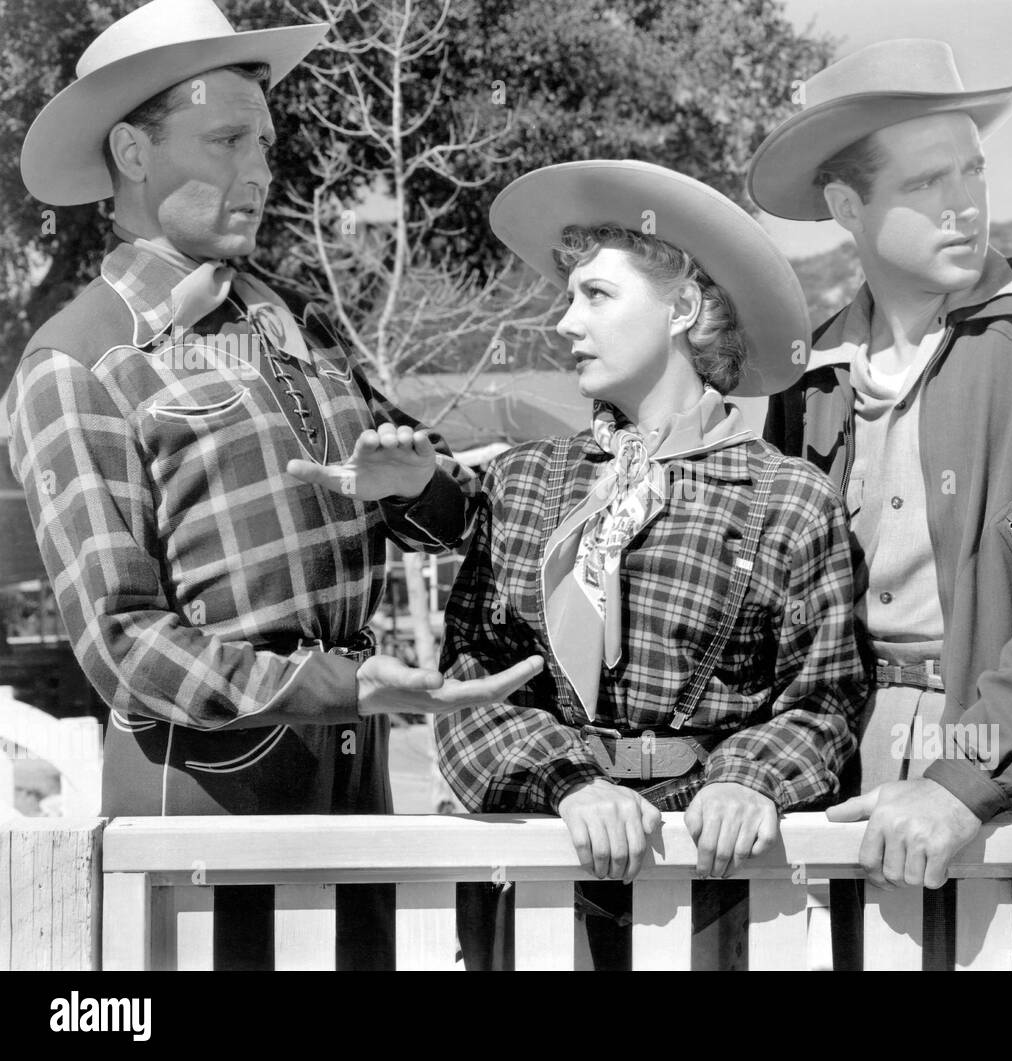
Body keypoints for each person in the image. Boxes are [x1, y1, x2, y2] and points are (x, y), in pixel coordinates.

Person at [4, 0, 541, 969]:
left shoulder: (295, 323)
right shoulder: (75, 362)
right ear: (130, 151)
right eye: (225, 140)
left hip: (354, 791)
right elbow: (125, 646)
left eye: (264, 141)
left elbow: (440, 504)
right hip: (206, 810)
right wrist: (338, 682)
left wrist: (416, 486)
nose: (259, 169)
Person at [747, 39, 1012, 966]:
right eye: (929, 181)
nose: (965, 202)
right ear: (848, 206)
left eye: (973, 169)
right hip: (833, 769)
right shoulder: (805, 376)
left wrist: (961, 779)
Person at [434, 160, 864, 969]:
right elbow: (468, 690)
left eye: (596, 295)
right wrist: (568, 783)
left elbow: (827, 698)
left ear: (685, 308)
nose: (564, 322)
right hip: (539, 878)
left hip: (713, 889)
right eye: (568, 297)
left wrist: (748, 778)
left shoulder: (786, 496)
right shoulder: (523, 481)